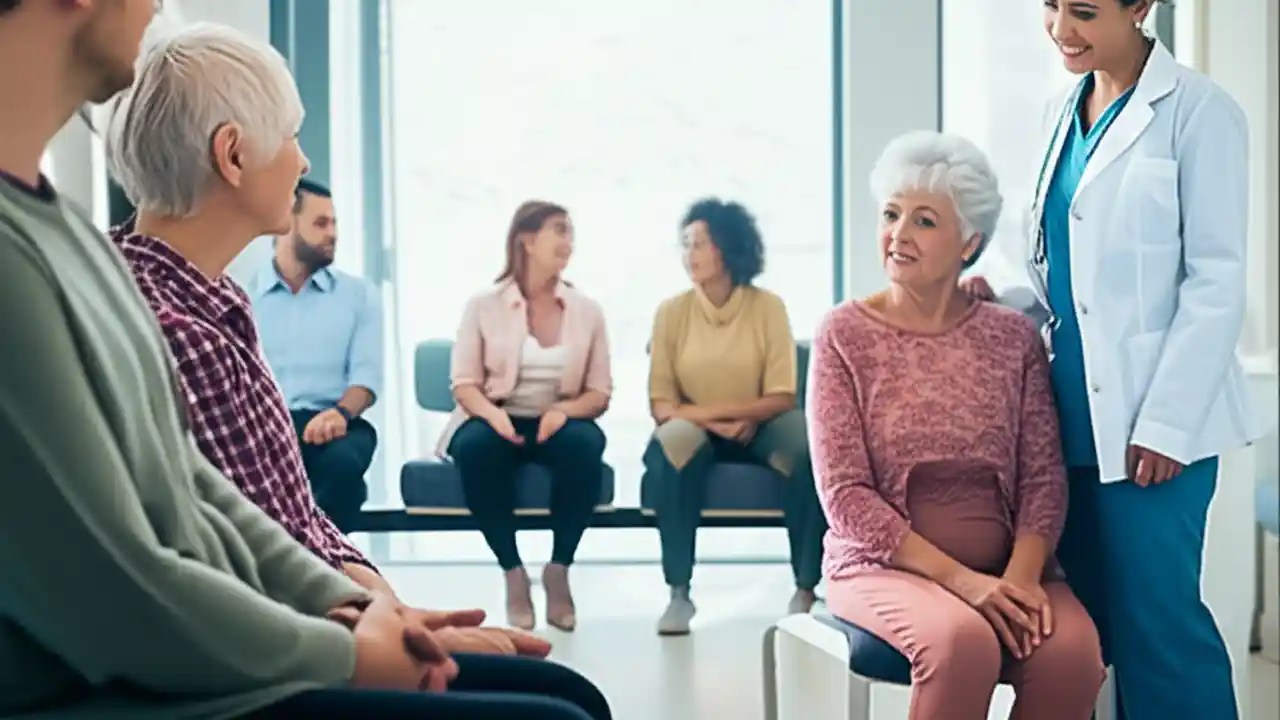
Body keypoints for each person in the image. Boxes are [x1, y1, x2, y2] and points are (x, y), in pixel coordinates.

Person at [0, 6, 609, 719]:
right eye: (291, 137)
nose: (156, 5)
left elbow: (201, 496)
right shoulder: (50, 270)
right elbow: (126, 585)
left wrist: (361, 608)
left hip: (220, 647)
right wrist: (350, 646)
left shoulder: (74, 238)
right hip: (145, 685)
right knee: (559, 712)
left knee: (564, 697)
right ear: (232, 156)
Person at [961, 2, 1267, 717]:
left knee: (1158, 629)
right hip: (1066, 413)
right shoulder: (1057, 114)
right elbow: (1066, 278)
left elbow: (1216, 280)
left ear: (1141, 7)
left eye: (1086, 11)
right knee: (1089, 632)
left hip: (1152, 424)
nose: (1061, 27)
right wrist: (998, 298)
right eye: (1051, 6)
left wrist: (1165, 421)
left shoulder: (1198, 112)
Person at [808, 131, 1104, 720]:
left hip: (1011, 569)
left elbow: (1044, 478)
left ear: (969, 241)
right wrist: (966, 584)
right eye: (891, 214)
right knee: (961, 642)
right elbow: (845, 496)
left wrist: (1018, 582)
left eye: (923, 221)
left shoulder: (1010, 337)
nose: (897, 233)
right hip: (879, 566)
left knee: (1072, 655)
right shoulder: (844, 334)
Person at [644, 198, 826, 636]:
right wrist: (715, 422)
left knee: (809, 444)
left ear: (728, 247)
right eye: (685, 244)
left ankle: (805, 588)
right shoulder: (671, 312)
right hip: (698, 426)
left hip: (762, 422)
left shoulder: (767, 307)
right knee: (674, 443)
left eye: (701, 243)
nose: (690, 254)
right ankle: (679, 593)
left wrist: (726, 416)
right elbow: (662, 405)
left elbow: (782, 395)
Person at [441, 200, 612, 633]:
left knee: (586, 445)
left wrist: (563, 411)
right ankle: (513, 573)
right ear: (527, 239)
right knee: (476, 448)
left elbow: (599, 392)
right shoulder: (483, 305)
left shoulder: (587, 310)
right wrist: (494, 418)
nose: (569, 243)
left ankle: (558, 570)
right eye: (560, 230)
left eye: (571, 232)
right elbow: (464, 384)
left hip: (559, 418)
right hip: (495, 413)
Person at [249, 178, 381, 532]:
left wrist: (339, 413)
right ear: (287, 223)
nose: (333, 233)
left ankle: (316, 565)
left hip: (335, 424)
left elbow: (366, 381)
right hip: (265, 426)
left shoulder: (358, 295)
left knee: (343, 465)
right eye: (321, 224)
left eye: (334, 223)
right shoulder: (241, 297)